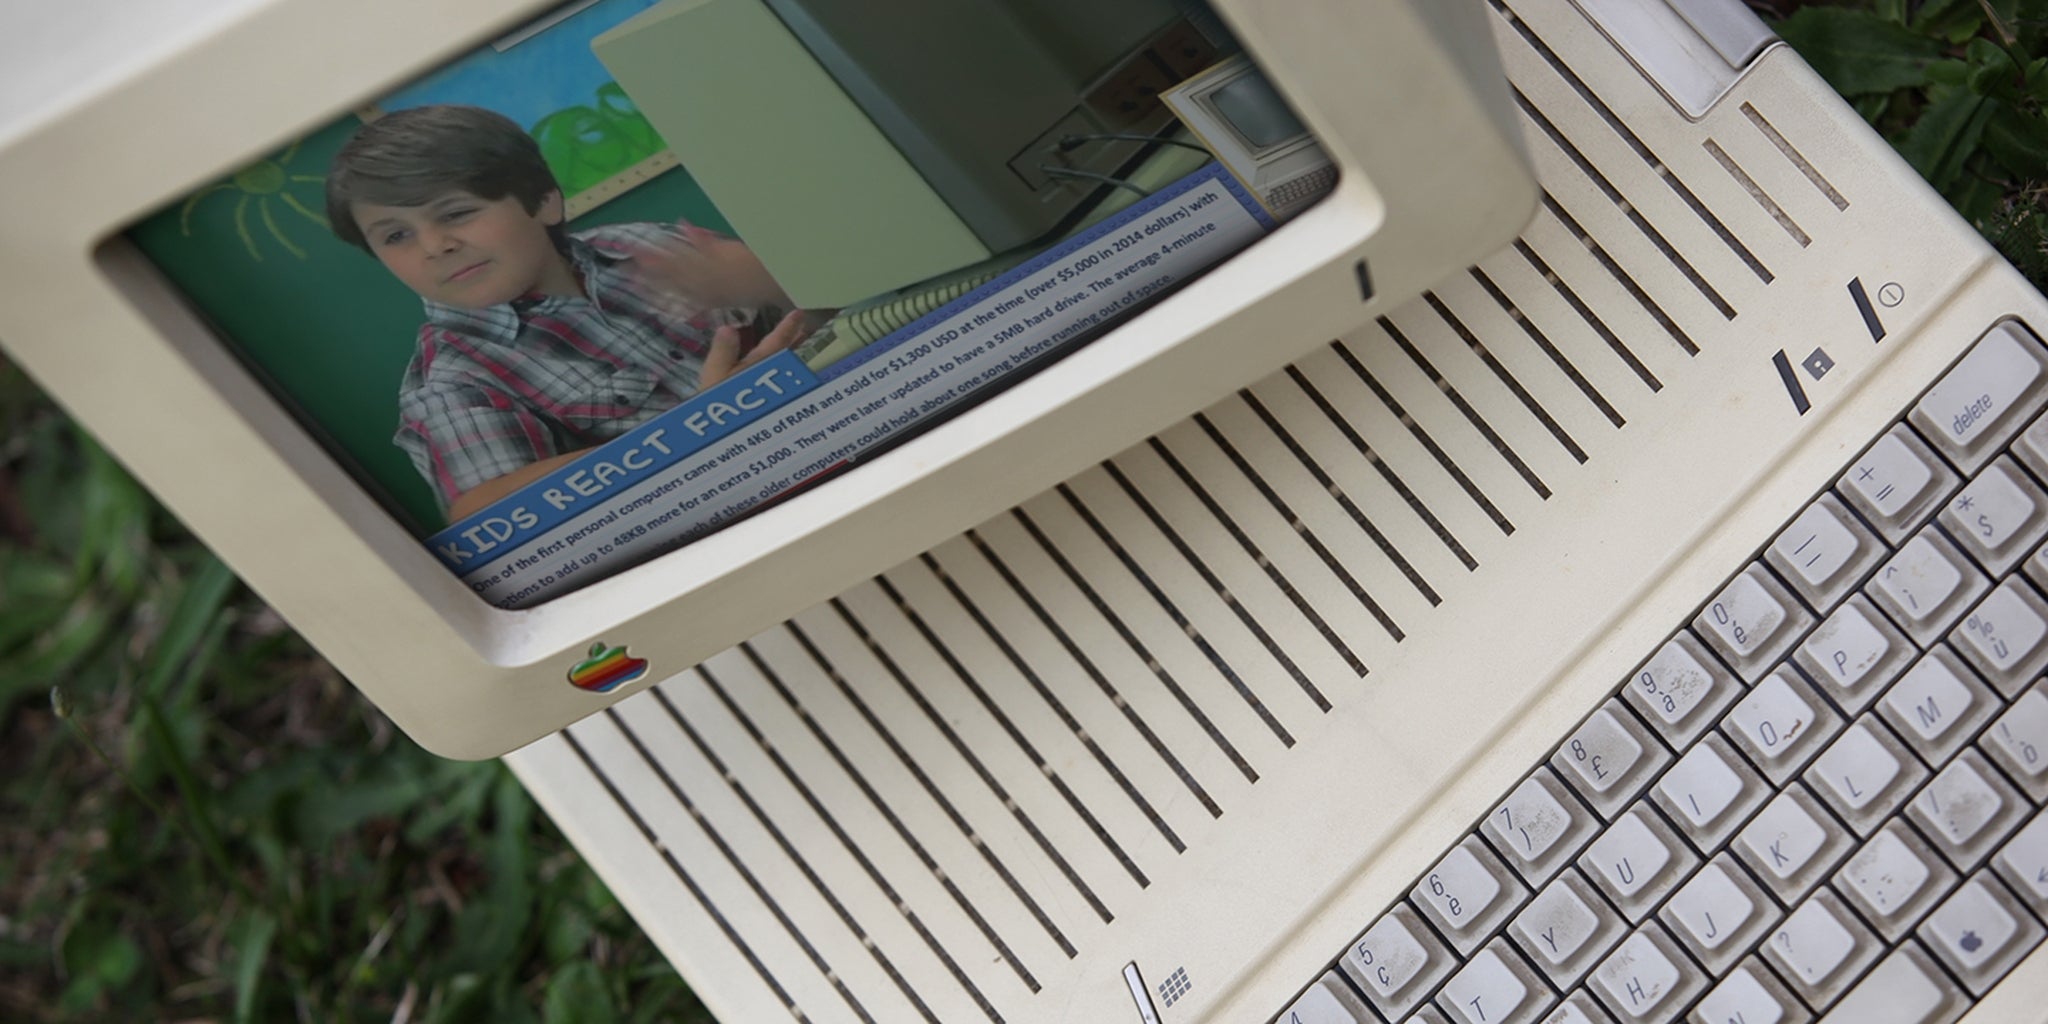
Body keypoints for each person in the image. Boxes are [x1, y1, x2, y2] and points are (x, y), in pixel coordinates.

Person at [324, 104, 809, 522]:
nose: (435, 246)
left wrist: (767, 276)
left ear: (544, 202)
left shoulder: (643, 244)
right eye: (396, 236)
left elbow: (837, 318)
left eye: (455, 214)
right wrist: (698, 430)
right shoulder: (453, 382)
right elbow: (485, 511)